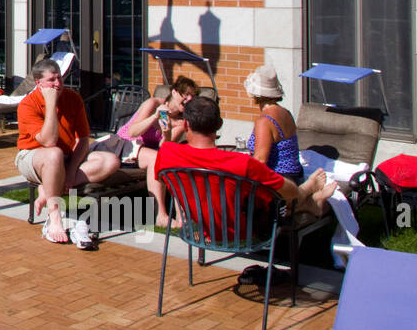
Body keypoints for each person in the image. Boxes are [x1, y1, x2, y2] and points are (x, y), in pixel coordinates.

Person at [151, 96, 335, 233]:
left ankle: (311, 201)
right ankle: (308, 195)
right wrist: (301, 190)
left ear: (185, 126)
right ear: (219, 125)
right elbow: (288, 191)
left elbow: (162, 163)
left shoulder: (168, 154)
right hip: (243, 231)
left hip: (202, 227)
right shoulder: (243, 163)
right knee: (287, 195)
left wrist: (166, 136)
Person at [15, 57, 120, 243]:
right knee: (53, 153)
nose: (57, 84)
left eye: (59, 78)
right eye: (51, 80)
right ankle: (54, 216)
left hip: (65, 158)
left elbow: (83, 139)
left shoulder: (73, 98)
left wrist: (71, 171)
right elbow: (48, 141)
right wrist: (50, 104)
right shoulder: (28, 105)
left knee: (111, 160)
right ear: (38, 83)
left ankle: (47, 191)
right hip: (32, 157)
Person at [115, 76, 199, 168]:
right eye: (186, 95)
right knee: (158, 159)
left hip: (146, 153)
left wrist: (167, 133)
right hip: (125, 144)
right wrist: (154, 116)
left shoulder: (181, 123)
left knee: (166, 159)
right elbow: (132, 133)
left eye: (192, 98)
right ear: (174, 92)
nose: (189, 100)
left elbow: (164, 149)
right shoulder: (153, 104)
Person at [242, 65, 301, 183]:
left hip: (278, 180)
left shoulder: (264, 121)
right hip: (295, 174)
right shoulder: (286, 112)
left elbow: (260, 161)